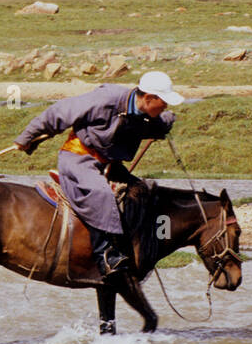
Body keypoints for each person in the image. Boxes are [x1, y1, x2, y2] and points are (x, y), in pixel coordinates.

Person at [14, 71, 184, 276]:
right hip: (78, 159)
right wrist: (28, 136)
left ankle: (131, 246)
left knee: (139, 192)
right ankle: (104, 255)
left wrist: (166, 121)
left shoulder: (144, 113)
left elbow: (155, 126)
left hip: (107, 163)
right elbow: (59, 111)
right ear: (148, 98)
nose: (165, 106)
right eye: (164, 102)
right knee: (101, 194)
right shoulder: (106, 99)